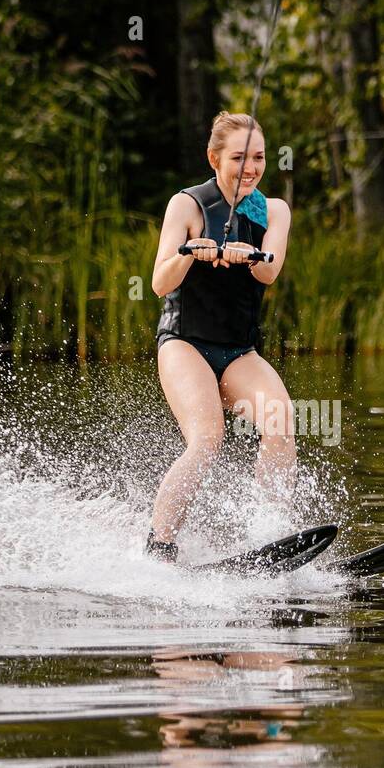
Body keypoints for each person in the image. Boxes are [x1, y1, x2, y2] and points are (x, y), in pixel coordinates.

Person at [146, 112, 294, 562]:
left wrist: (250, 255)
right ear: (215, 159)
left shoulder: (273, 211)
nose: (251, 167)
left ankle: (268, 538)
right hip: (184, 343)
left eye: (259, 158)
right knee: (208, 438)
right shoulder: (186, 205)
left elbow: (269, 271)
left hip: (238, 351)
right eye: (239, 157)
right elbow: (160, 282)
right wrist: (191, 251)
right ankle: (160, 548)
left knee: (281, 422)